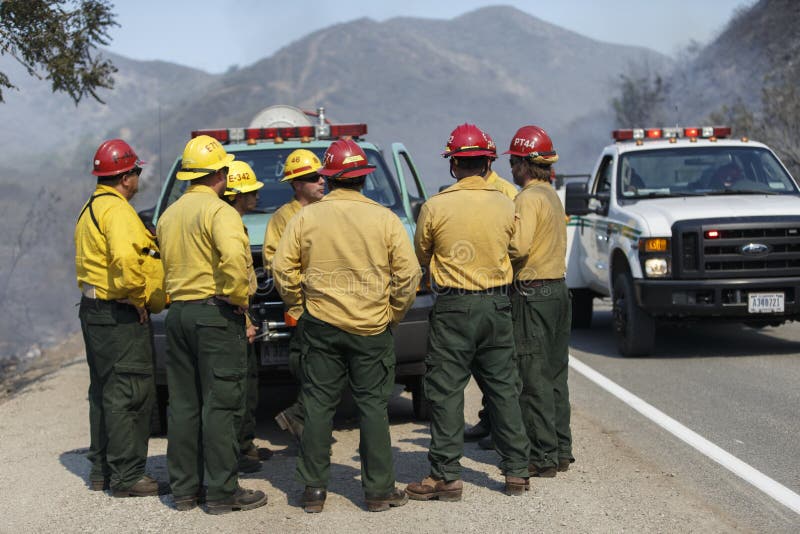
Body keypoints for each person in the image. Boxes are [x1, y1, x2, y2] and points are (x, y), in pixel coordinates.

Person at [273, 138, 420, 513]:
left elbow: (282, 268)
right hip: (372, 327)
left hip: (321, 324)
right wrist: (394, 313)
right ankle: (378, 491)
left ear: (330, 178)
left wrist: (298, 305)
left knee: (319, 406)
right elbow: (409, 275)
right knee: (373, 406)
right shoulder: (385, 219)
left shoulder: (305, 217)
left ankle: (312, 492)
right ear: (363, 178)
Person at [406, 123, 531, 501]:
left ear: (453, 164)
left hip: (454, 307)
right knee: (503, 389)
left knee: (445, 391)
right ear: (488, 161)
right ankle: (517, 473)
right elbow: (520, 249)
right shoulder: (506, 203)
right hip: (497, 304)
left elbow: (421, 255)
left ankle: (446, 477)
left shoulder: (436, 205)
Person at [156, 135, 267, 514]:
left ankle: (184, 490)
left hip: (179, 313)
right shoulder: (220, 213)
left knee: (184, 404)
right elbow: (236, 258)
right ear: (220, 174)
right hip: (213, 315)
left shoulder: (169, 215)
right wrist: (237, 298)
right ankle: (221, 491)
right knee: (221, 404)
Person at [75, 139, 166, 498]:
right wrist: (140, 298)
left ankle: (102, 471)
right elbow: (128, 263)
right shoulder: (118, 212)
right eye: (137, 171)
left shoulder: (91, 207)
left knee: (104, 391)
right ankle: (127, 476)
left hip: (94, 309)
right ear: (126, 177)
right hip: (118, 312)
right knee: (130, 392)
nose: (138, 177)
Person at [505, 125, 574, 477]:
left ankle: (541, 456)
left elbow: (519, 246)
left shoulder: (527, 199)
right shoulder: (551, 195)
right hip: (559, 292)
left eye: (514, 162)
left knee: (531, 378)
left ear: (523, 164)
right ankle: (561, 449)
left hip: (533, 294)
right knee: (555, 375)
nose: (511, 169)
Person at [265, 149, 325, 443]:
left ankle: (303, 419)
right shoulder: (282, 218)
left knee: (326, 372)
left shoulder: (330, 211)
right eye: (313, 178)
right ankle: (306, 427)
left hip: (334, 307)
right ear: (296, 184)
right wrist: (302, 296)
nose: (321, 182)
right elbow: (274, 263)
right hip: (305, 309)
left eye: (322, 176)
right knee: (312, 371)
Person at [464, 131, 517, 443]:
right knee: (478, 362)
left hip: (497, 286)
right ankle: (489, 417)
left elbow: (516, 243)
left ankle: (501, 427)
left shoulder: (506, 193)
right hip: (467, 284)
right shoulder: (461, 193)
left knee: (496, 365)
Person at [223, 160, 273, 473]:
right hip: (235, 308)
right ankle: (237, 451)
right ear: (236, 194)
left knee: (248, 379)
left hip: (243, 305)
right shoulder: (226, 222)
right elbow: (231, 271)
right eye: (250, 191)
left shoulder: (234, 220)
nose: (256, 196)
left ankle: (244, 444)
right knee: (238, 383)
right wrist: (243, 316)